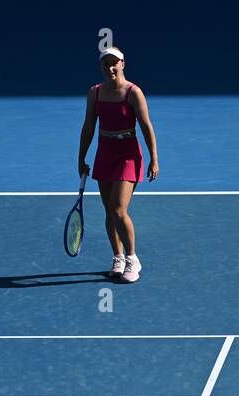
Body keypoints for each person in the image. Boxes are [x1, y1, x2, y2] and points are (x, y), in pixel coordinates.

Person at [78, 46, 159, 282]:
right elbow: (88, 127)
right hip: (105, 152)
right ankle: (118, 257)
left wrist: (154, 158)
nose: (110, 67)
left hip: (128, 154)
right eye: (106, 64)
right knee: (108, 210)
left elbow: (146, 127)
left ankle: (133, 259)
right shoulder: (94, 93)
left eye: (115, 63)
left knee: (117, 208)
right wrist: (81, 157)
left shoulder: (134, 93)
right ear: (101, 67)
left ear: (123, 64)